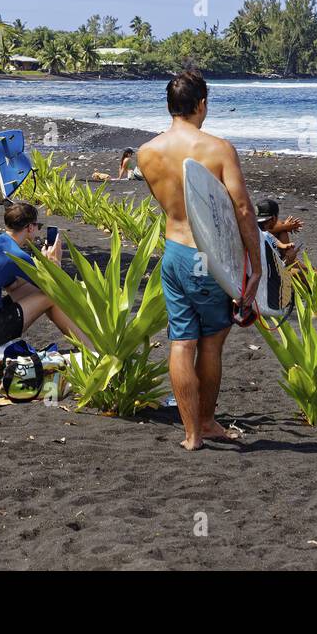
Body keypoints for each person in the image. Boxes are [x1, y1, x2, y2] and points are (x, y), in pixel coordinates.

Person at [137, 70, 260, 451]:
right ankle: (205, 423)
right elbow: (240, 208)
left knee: (181, 342)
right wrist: (254, 265)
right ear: (202, 103)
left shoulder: (147, 152)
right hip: (208, 258)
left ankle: (190, 435)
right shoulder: (218, 149)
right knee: (210, 344)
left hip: (173, 252)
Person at [0, 202, 90, 348]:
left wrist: (42, 267)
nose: (37, 231)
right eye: (38, 226)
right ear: (30, 227)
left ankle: (84, 342)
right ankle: (90, 349)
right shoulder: (17, 255)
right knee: (50, 297)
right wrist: (55, 263)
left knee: (38, 290)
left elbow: (14, 286)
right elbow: (56, 287)